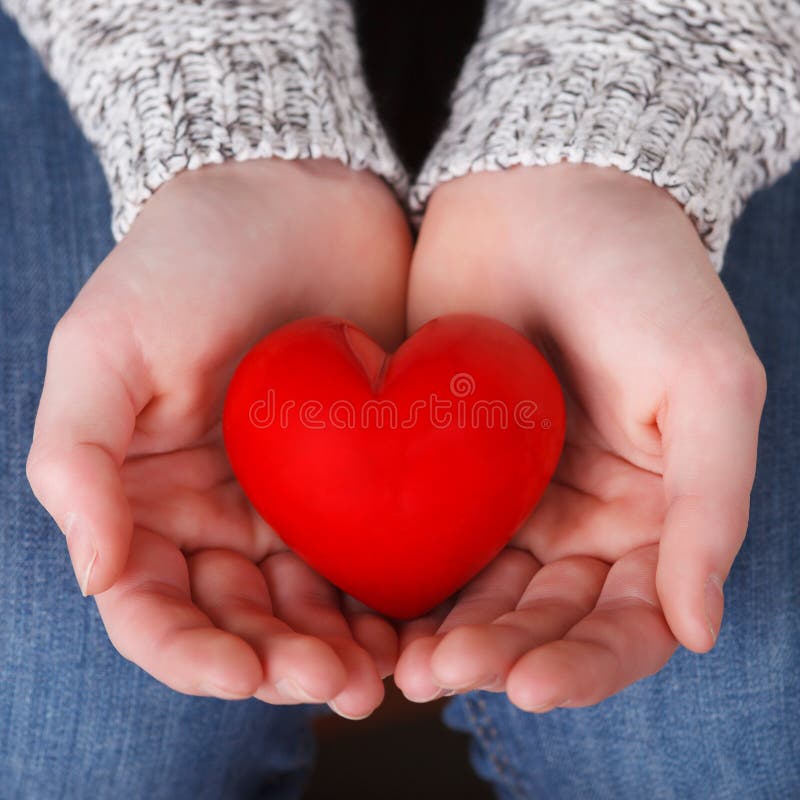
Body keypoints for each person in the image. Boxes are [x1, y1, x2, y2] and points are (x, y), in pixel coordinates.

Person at [1, 1, 798, 797]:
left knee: (733, 724)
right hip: (155, 37)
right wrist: (230, 115)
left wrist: (609, 123)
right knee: (72, 716)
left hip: (674, 43)